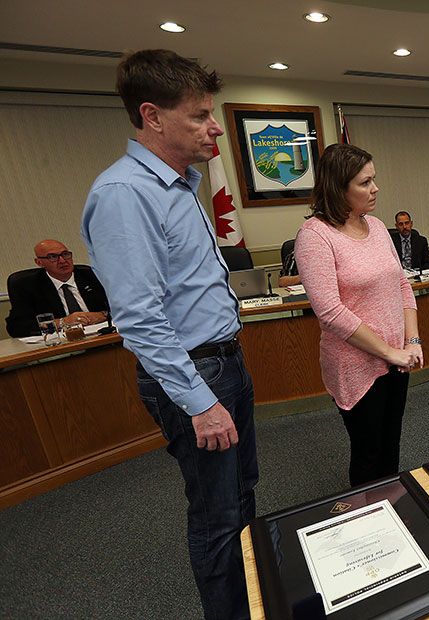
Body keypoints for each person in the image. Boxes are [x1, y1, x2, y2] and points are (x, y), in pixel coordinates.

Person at [81, 49, 257, 620]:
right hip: (195, 375)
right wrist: (201, 403)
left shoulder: (180, 184)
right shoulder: (124, 194)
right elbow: (139, 318)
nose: (213, 128)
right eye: (200, 116)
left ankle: (257, 602)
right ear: (152, 116)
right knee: (217, 516)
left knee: (242, 495)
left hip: (224, 361)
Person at [295, 144, 421, 486]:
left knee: (390, 446)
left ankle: (390, 512)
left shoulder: (379, 227)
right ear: (339, 188)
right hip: (357, 365)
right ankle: (366, 521)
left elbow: (402, 285)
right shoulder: (315, 236)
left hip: (397, 357)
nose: (375, 188)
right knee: (368, 451)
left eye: (374, 180)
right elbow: (330, 312)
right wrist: (390, 351)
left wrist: (411, 341)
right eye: (365, 182)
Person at [5, 239, 110, 337]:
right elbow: (16, 327)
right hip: (60, 345)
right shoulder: (28, 286)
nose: (62, 260)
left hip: (101, 337)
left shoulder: (93, 276)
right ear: (39, 262)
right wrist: (62, 322)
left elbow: (121, 306)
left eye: (65, 254)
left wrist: (103, 315)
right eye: (53, 257)